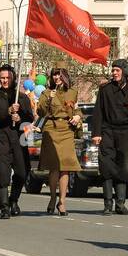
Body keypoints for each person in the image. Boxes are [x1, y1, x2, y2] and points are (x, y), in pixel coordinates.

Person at [0, 64, 34, 219]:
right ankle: (4, 207)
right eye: (2, 78)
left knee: (22, 171)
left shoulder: (22, 98)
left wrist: (20, 118)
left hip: (19, 137)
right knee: (2, 173)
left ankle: (14, 200)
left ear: (13, 78)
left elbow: (30, 117)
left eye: (8, 78)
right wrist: (7, 112)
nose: (5, 81)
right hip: (1, 137)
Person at [38, 66, 83, 217]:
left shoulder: (73, 92)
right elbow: (41, 112)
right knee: (54, 167)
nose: (56, 78)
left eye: (59, 75)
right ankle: (52, 197)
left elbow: (76, 109)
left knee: (66, 167)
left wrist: (78, 116)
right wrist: (49, 98)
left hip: (66, 129)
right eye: (54, 75)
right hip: (51, 128)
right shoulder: (46, 93)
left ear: (64, 76)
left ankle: (62, 201)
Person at [92, 59, 128, 216]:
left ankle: (121, 204)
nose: (114, 73)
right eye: (113, 70)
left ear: (124, 72)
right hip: (107, 131)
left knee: (123, 166)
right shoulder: (105, 90)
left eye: (117, 70)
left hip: (124, 133)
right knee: (107, 167)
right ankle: (107, 204)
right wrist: (96, 134)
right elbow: (98, 112)